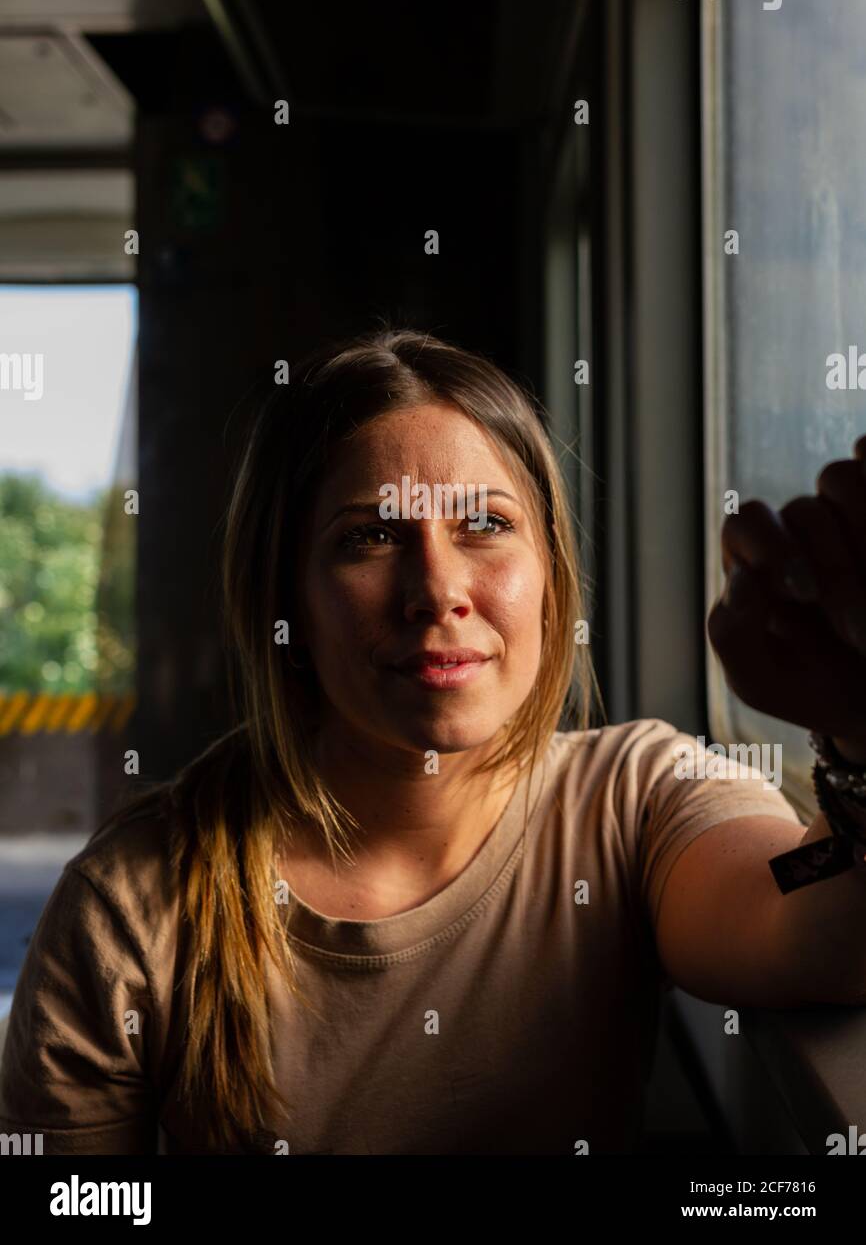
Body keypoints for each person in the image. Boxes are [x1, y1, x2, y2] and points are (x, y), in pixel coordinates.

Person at [2, 326, 866, 1156]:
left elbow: (820, 932)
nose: (438, 590)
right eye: (370, 537)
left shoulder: (637, 800)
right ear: (285, 600)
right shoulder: (128, 906)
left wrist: (856, 727)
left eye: (485, 525)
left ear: (552, 574)